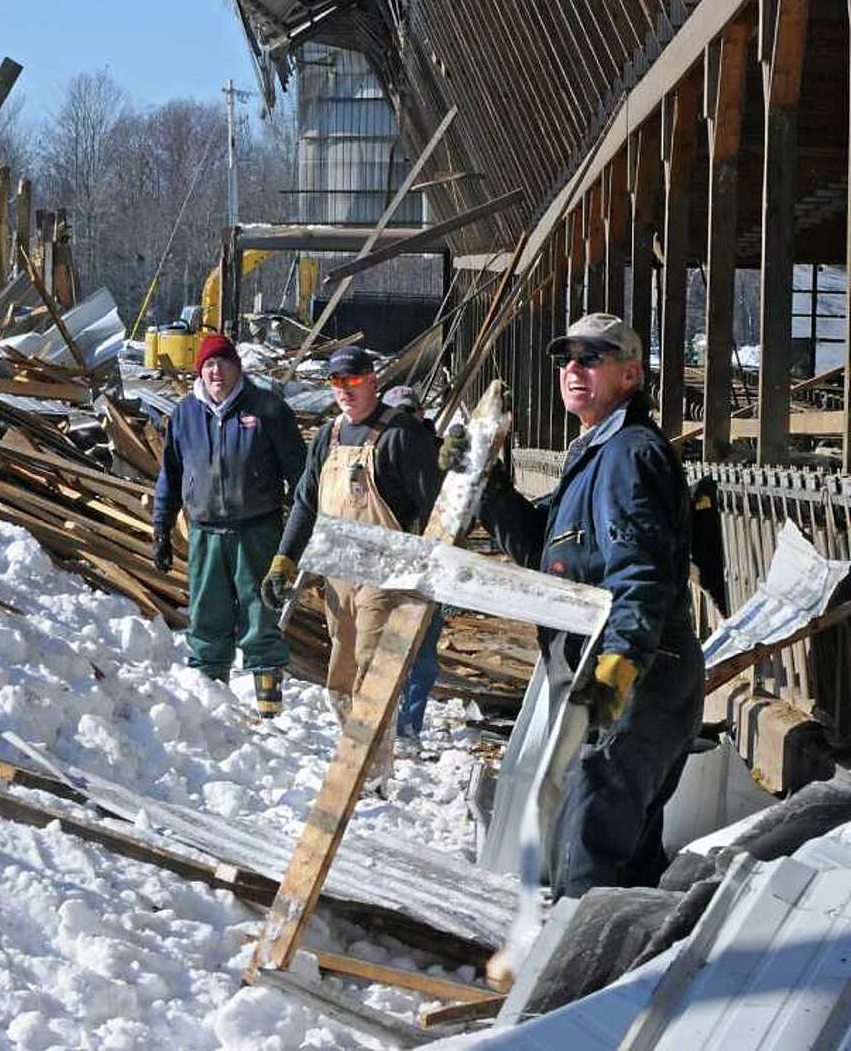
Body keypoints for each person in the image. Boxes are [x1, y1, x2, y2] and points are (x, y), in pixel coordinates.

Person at [475, 312, 705, 900]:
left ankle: (580, 976)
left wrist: (620, 665)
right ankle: (623, 972)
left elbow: (641, 573)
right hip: (611, 669)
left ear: (629, 374)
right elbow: (542, 548)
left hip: (634, 673)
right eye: (565, 359)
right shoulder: (593, 455)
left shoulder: (628, 455)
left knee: (591, 843)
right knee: (618, 848)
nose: (572, 369)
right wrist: (487, 485)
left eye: (591, 357)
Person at [261, 347, 442, 785]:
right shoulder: (329, 435)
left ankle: (366, 774)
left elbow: (438, 508)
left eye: (354, 382)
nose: (345, 391)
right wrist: (284, 559)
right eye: (336, 383)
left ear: (372, 381)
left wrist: (434, 576)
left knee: (369, 674)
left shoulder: (401, 435)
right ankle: (366, 758)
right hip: (338, 572)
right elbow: (306, 502)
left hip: (387, 575)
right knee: (339, 683)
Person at [153, 332, 306, 717]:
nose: (216, 371)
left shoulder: (267, 409)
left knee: (261, 615)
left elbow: (302, 477)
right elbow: (170, 475)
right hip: (206, 534)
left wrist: (296, 536)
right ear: (199, 372)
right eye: (208, 364)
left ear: (238, 367)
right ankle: (209, 704)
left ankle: (269, 709)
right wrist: (161, 526)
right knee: (207, 616)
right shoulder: (185, 414)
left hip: (258, 532)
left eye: (223, 362)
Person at [381, 384, 444, 749]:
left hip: (426, 567)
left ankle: (408, 727)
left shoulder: (437, 455)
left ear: (421, 415)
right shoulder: (377, 452)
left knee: (422, 654)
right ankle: (382, 725)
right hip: (385, 566)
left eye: (410, 413)